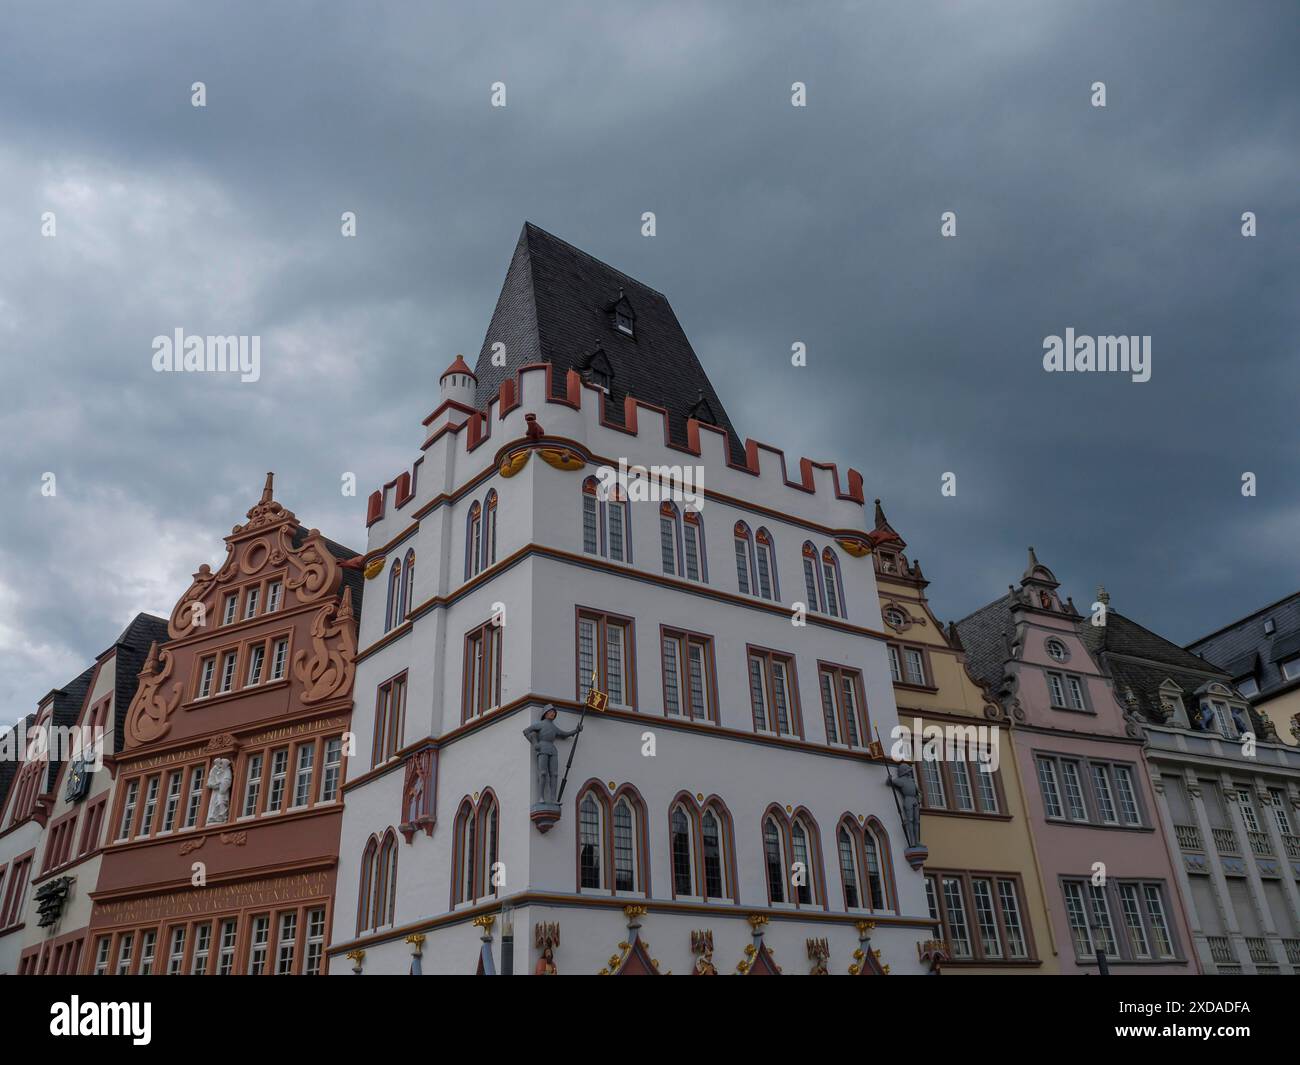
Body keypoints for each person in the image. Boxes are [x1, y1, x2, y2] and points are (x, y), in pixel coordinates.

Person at [522, 704, 582, 805]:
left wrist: (576, 730)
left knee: (554, 774)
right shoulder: (540, 724)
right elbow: (526, 731)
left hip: (552, 750)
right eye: (550, 712)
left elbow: (564, 734)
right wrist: (535, 743)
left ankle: (553, 798)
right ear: (545, 714)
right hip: (542, 748)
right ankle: (541, 797)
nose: (552, 714)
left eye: (553, 712)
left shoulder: (553, 727)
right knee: (543, 773)